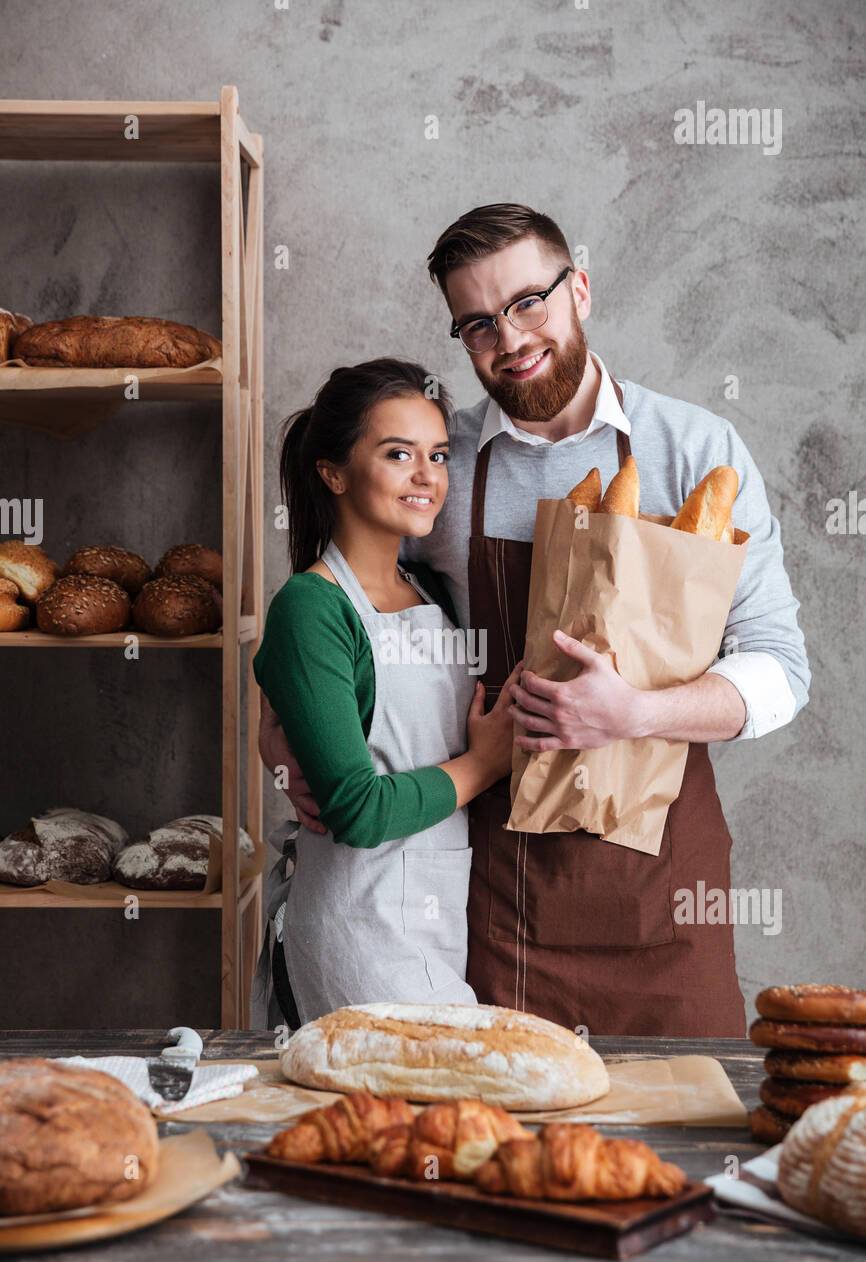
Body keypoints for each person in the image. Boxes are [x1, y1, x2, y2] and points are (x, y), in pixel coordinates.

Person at [261, 204, 810, 1038]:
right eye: (477, 324)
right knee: (504, 1151)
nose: (510, 339)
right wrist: (282, 739)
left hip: (661, 888)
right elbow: (342, 620)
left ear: (578, 288)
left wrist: (638, 712)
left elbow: (780, 670)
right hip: (493, 893)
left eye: (528, 303)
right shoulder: (442, 469)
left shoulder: (697, 450)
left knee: (686, 1135)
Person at [250, 358, 519, 1028]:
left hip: (429, 923)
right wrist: (484, 764)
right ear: (333, 472)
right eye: (399, 454)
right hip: (359, 935)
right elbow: (358, 812)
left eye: (437, 455)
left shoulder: (424, 589)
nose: (428, 476)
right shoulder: (312, 606)